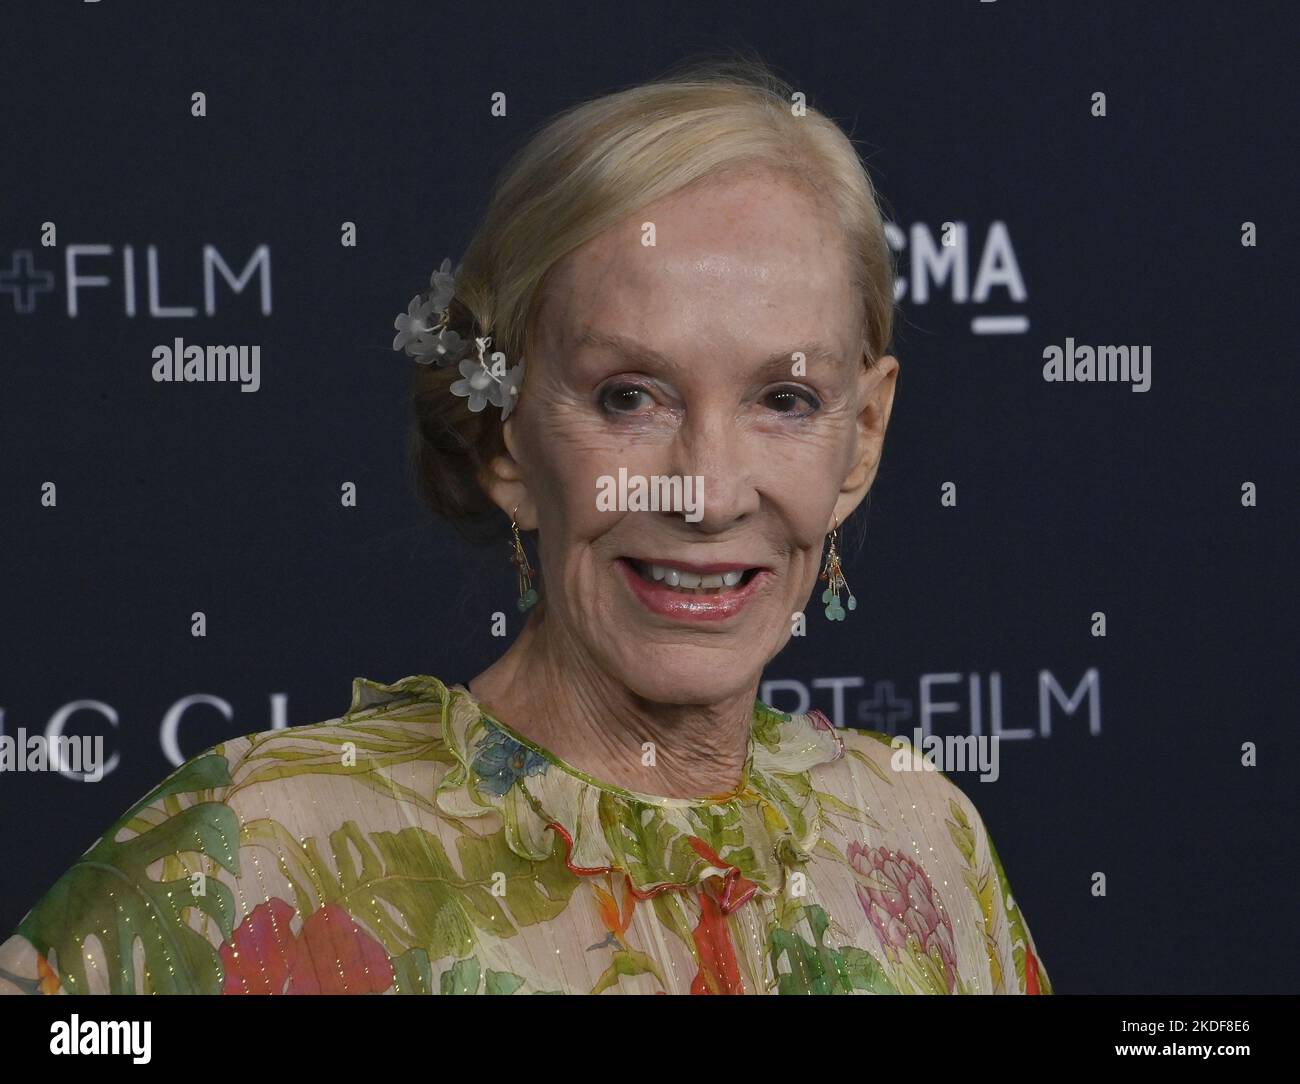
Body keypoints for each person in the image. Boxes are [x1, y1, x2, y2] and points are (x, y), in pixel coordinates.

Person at [0, 58, 1051, 996]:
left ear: (860, 438)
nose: (709, 491)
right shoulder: (268, 845)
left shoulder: (919, 834)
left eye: (784, 400)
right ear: (506, 441)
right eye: (630, 397)